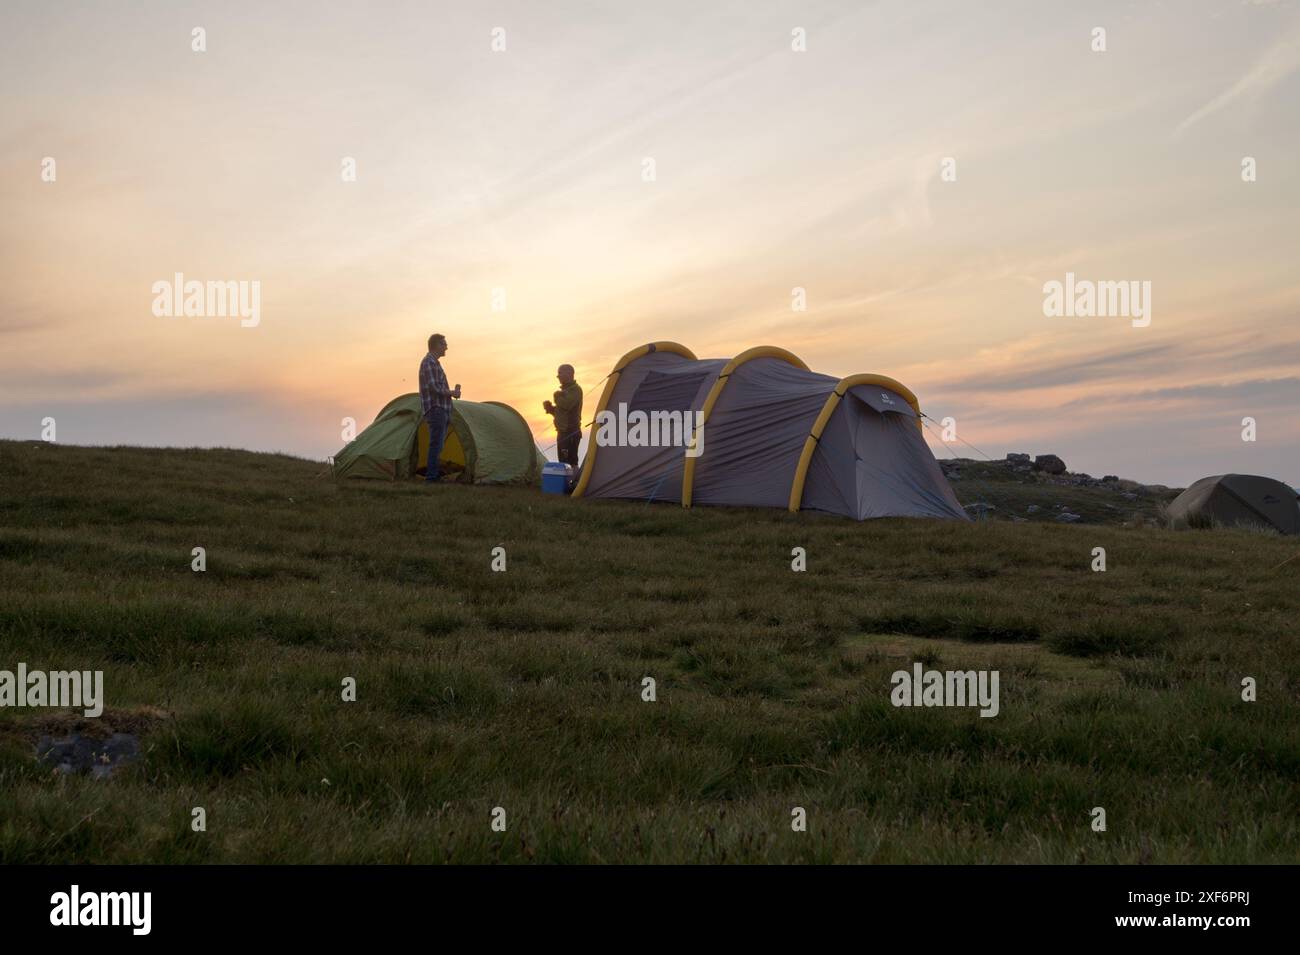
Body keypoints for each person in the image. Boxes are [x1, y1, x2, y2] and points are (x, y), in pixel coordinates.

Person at [418, 333, 460, 482]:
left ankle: (433, 474)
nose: (446, 347)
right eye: (444, 344)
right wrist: (451, 392)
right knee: (436, 443)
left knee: (438, 443)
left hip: (441, 409)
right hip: (436, 409)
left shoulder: (435, 363)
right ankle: (431, 477)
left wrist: (451, 394)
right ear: (437, 345)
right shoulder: (428, 362)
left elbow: (436, 387)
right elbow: (433, 387)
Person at [543, 364, 583, 468]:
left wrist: (556, 397)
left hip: (571, 432)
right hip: (562, 432)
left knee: (571, 461)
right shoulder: (564, 392)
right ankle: (566, 483)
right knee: (563, 461)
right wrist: (550, 409)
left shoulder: (576, 390)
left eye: (560, 373)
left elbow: (567, 405)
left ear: (569, 374)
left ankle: (575, 483)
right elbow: (562, 413)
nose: (558, 376)